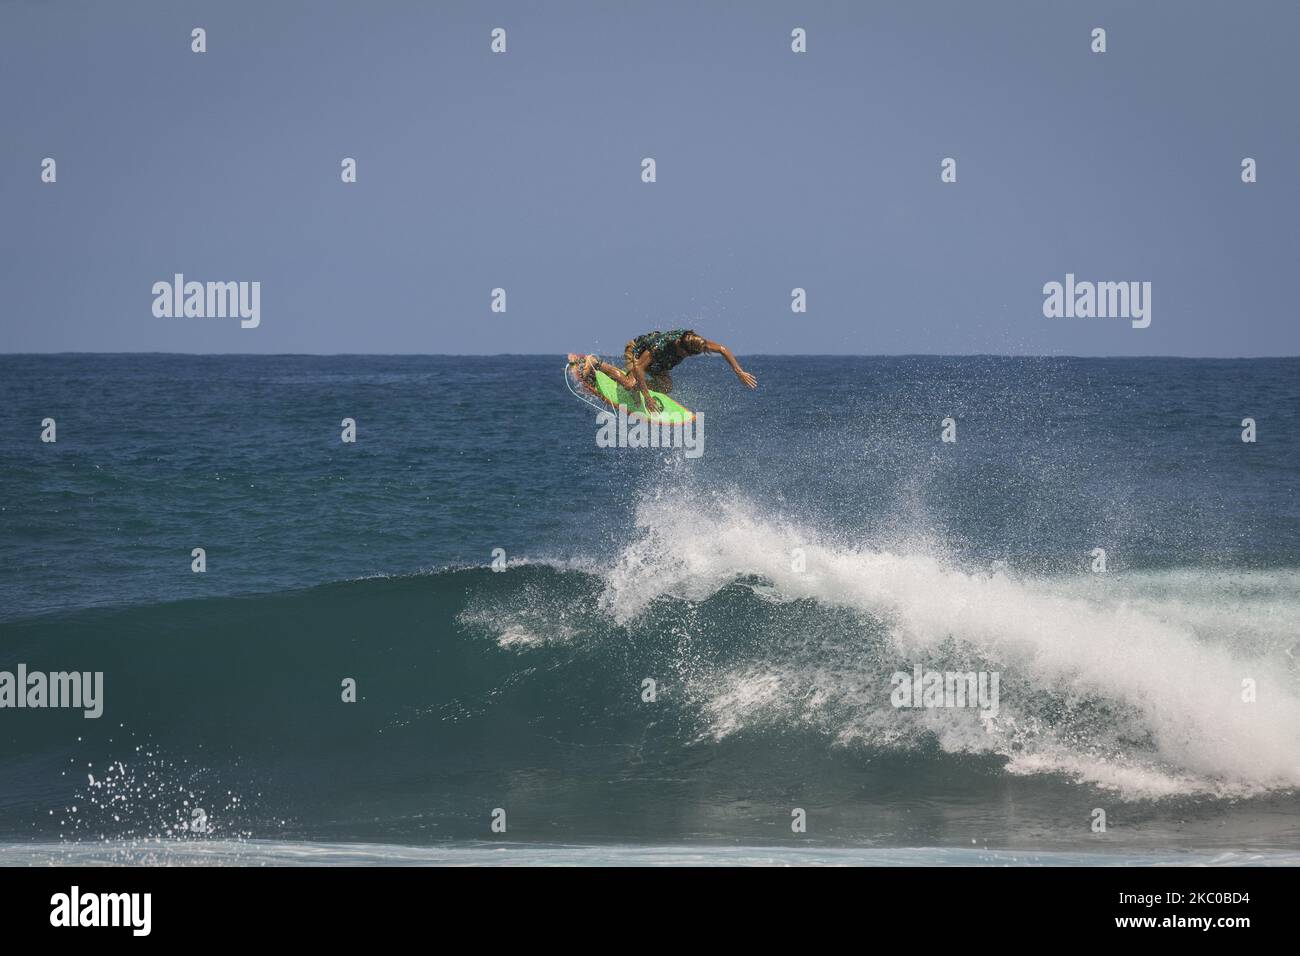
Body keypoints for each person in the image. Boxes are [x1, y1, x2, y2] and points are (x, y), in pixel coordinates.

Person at [568, 329, 757, 412]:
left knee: (666, 386)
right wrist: (647, 397)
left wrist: (739, 371)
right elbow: (640, 368)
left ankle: (633, 386)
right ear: (680, 347)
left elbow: (722, 349)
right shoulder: (661, 346)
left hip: (659, 364)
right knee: (631, 383)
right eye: (686, 355)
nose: (688, 357)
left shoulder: (695, 341)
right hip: (637, 353)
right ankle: (596, 363)